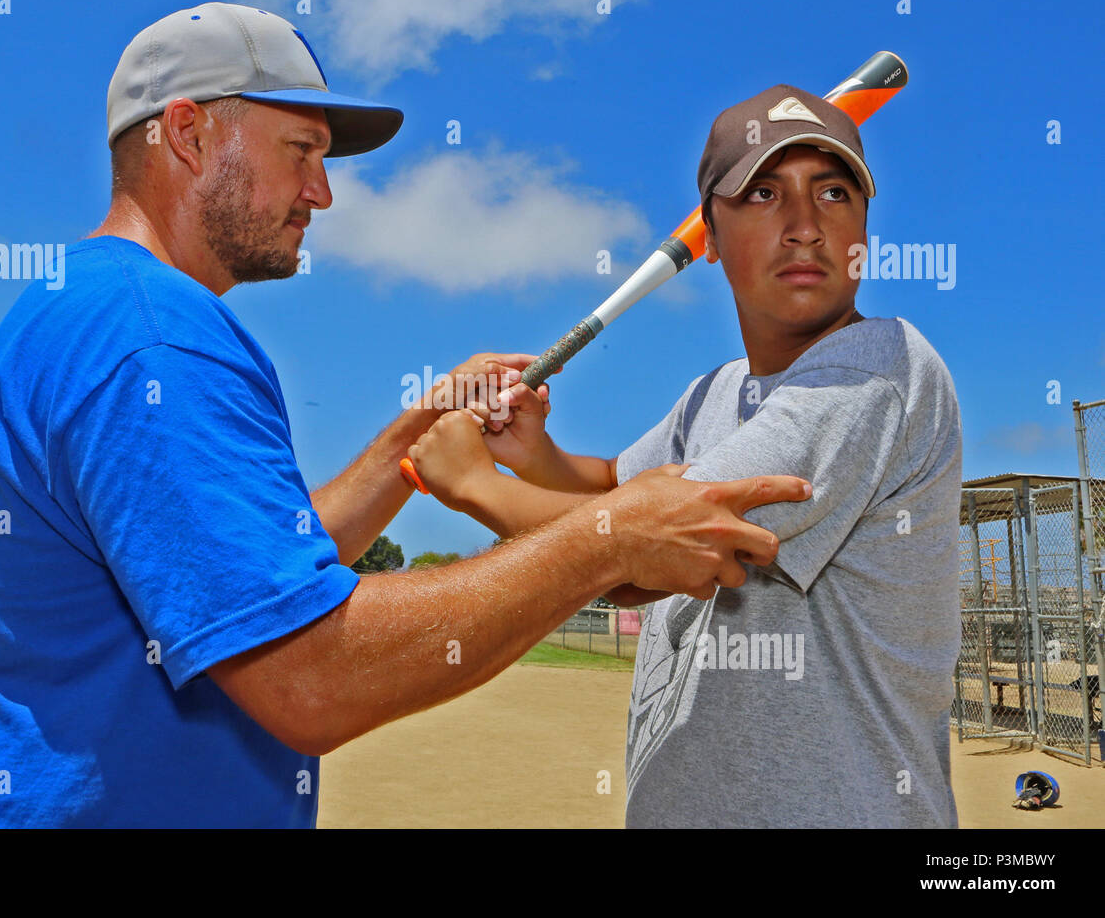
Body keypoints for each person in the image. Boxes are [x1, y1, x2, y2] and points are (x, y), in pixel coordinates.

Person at [0, 3, 811, 828]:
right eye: (301, 152)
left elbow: (238, 580)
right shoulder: (157, 338)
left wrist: (404, 454)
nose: (322, 193)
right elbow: (307, 673)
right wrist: (606, 539)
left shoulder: (87, 306)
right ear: (188, 133)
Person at [408, 83, 963, 827]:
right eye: (763, 193)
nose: (805, 226)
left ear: (865, 226)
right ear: (710, 234)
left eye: (833, 194)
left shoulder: (877, 369)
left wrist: (474, 484)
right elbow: (612, 489)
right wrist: (534, 454)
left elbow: (647, 552)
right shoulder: (714, 394)